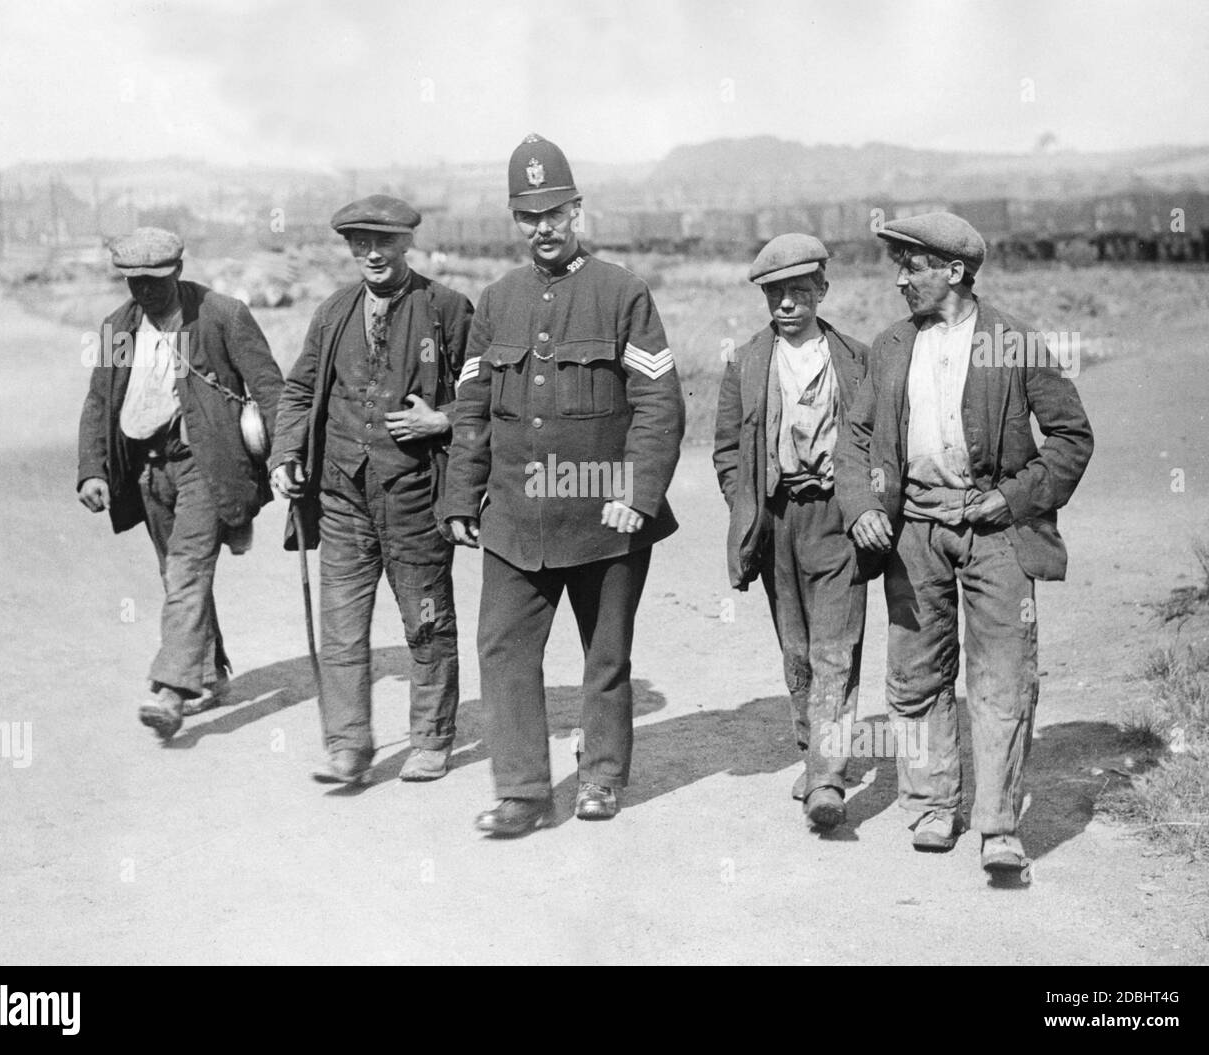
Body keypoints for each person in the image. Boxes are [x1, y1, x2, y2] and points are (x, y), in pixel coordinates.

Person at [836, 211, 1093, 872]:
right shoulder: (891, 346)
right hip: (912, 533)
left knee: (1003, 672)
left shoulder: (1012, 340)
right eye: (900, 265)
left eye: (912, 266)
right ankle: (930, 805)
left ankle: (999, 823)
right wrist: (864, 503)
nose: (900, 280)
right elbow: (855, 438)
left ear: (954, 270)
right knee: (917, 674)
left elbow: (1071, 437)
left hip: (998, 532)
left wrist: (1012, 497)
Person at [444, 134, 685, 836]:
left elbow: (659, 402)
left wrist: (638, 492)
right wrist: (462, 495)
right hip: (517, 517)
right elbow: (472, 408)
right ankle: (522, 790)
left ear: (576, 210)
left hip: (606, 513)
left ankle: (603, 777)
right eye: (528, 215)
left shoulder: (621, 293)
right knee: (502, 647)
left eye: (554, 212)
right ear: (514, 221)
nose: (542, 227)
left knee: (605, 654)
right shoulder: (496, 301)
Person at [269, 196, 472, 785]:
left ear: (408, 243)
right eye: (360, 243)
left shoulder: (447, 310)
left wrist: (443, 420)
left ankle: (432, 739)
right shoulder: (333, 312)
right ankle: (347, 746)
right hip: (341, 497)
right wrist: (285, 454)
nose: (373, 254)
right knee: (341, 627)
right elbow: (300, 391)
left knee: (426, 621)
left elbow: (489, 398)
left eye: (384, 242)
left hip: (414, 497)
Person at [77, 227, 284, 740]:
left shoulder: (221, 315)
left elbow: (270, 388)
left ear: (178, 271)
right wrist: (92, 469)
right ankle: (209, 672)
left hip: (204, 464)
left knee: (188, 569)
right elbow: (100, 401)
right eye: (134, 283)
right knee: (176, 575)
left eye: (154, 281)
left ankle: (170, 692)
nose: (144, 291)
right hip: (148, 470)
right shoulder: (118, 326)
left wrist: (287, 458)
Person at [713, 233, 872, 831]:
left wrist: (866, 507)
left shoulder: (855, 359)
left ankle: (828, 780)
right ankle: (814, 753)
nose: (786, 304)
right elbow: (728, 450)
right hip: (776, 522)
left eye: (800, 291)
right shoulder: (747, 363)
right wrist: (746, 504)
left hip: (836, 518)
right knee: (798, 652)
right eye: (775, 293)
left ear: (822, 291)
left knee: (836, 649)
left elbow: (878, 443)